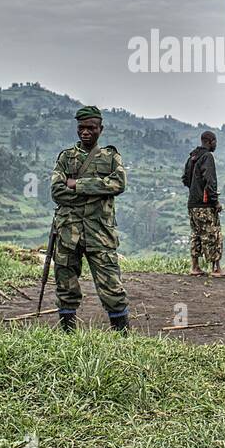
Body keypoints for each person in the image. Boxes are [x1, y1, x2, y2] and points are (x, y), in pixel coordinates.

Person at [49, 105, 130, 333]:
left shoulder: (111, 157)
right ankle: (68, 336)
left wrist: (78, 184)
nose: (85, 132)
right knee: (66, 287)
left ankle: (121, 337)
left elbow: (119, 184)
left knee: (112, 287)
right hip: (68, 233)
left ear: (100, 129)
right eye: (81, 128)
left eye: (91, 128)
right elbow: (56, 191)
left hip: (100, 234)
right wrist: (96, 193)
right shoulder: (66, 158)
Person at [183, 131, 224, 275]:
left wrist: (195, 189)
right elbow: (210, 181)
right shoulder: (207, 157)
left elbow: (185, 179)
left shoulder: (192, 157)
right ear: (210, 141)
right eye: (215, 142)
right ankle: (216, 269)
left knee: (196, 234)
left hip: (192, 203)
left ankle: (195, 267)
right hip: (205, 204)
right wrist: (215, 201)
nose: (216, 145)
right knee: (213, 234)